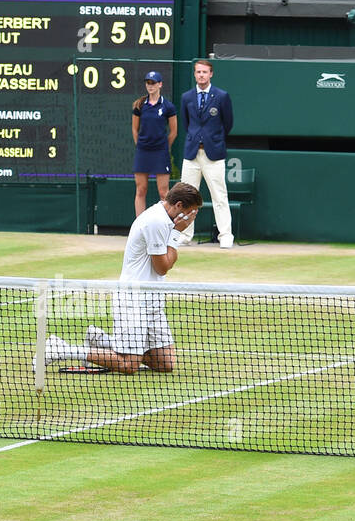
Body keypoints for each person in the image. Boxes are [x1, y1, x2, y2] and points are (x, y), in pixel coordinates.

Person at [40, 183, 202, 376]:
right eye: (191, 213)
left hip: (152, 300)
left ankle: (100, 340)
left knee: (165, 363)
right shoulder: (157, 221)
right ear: (179, 206)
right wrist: (176, 234)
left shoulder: (164, 217)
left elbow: (166, 262)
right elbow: (163, 267)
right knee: (128, 365)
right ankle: (62, 349)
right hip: (133, 300)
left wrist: (174, 237)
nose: (192, 218)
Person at [180, 59, 234, 248]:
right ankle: (185, 235)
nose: (201, 75)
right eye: (198, 72)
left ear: (211, 74)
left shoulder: (221, 96)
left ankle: (226, 235)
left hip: (213, 154)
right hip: (192, 153)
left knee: (219, 196)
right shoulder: (187, 97)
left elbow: (227, 123)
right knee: (186, 196)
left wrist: (213, 139)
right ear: (194, 74)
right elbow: (186, 124)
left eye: (204, 72)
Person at [132, 71, 178, 217]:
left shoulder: (168, 106)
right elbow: (134, 129)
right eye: (148, 83)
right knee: (141, 190)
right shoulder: (139, 105)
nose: (150, 86)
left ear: (160, 85)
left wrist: (164, 147)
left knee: (164, 192)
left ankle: (166, 225)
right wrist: (139, 145)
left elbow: (173, 132)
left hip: (160, 152)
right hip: (143, 151)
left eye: (153, 83)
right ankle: (140, 227)